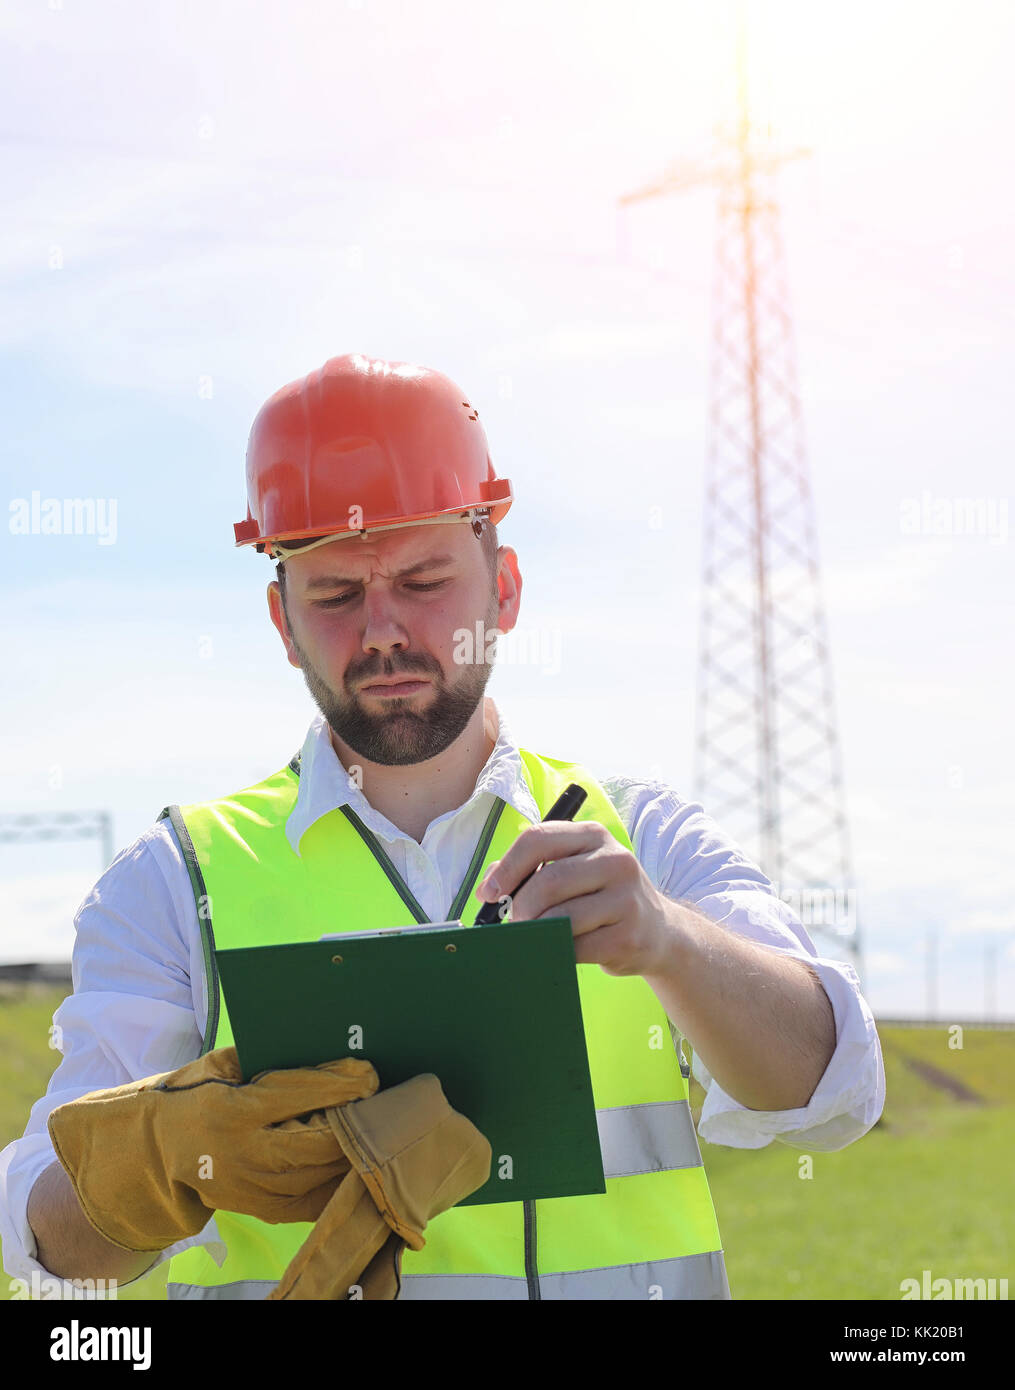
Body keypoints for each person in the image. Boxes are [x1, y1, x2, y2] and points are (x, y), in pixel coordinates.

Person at [0, 353, 885, 1301]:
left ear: (501, 590)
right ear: (283, 622)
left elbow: (829, 1097)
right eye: (335, 595)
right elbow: (44, 1251)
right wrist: (162, 1164)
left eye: (423, 580)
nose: (382, 631)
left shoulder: (643, 837)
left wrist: (669, 942)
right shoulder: (177, 885)